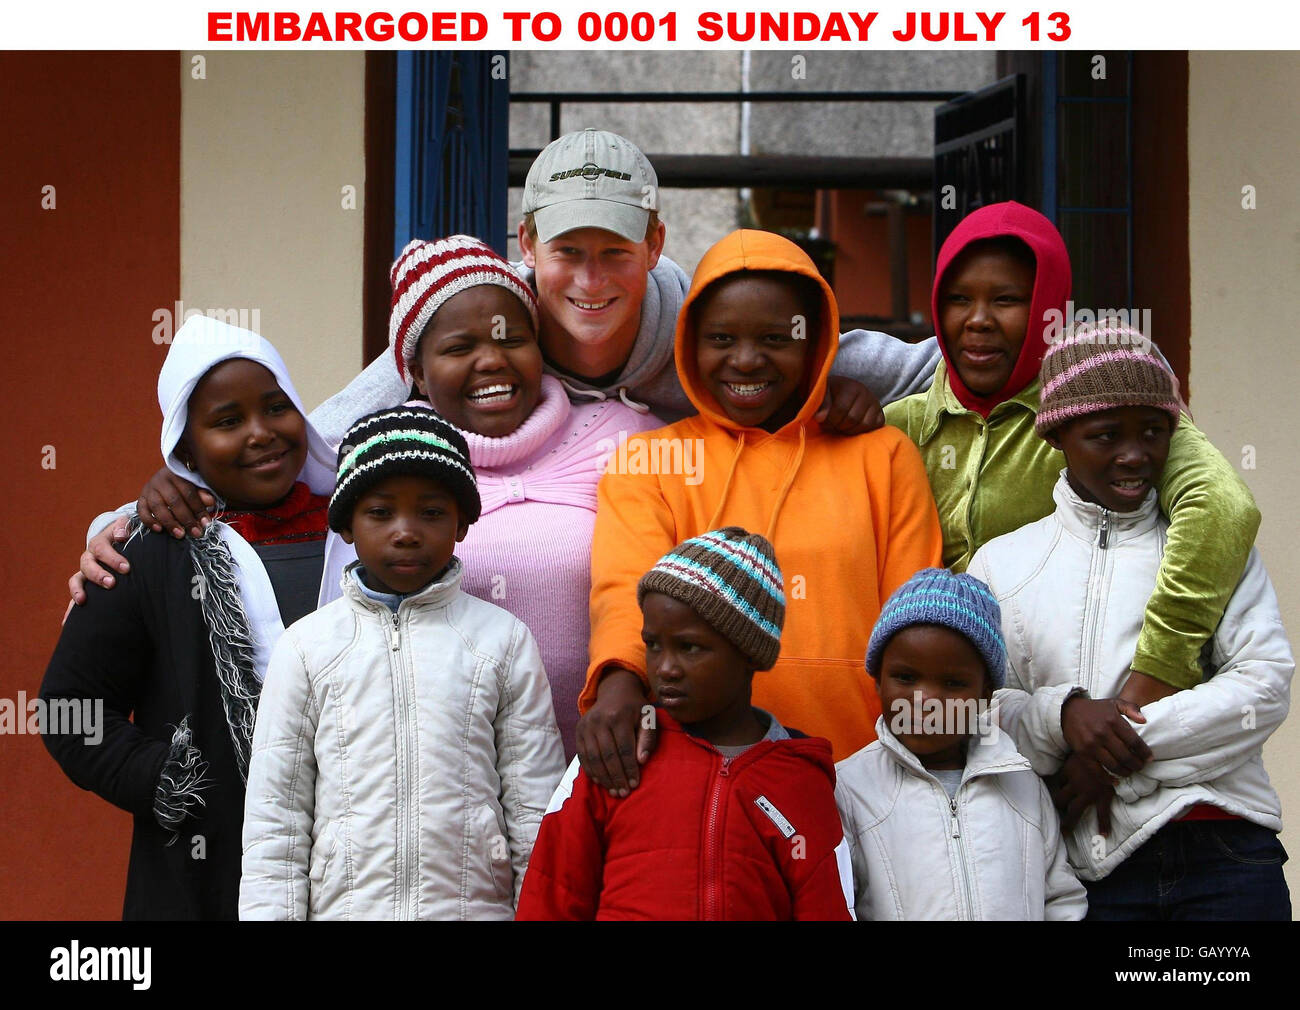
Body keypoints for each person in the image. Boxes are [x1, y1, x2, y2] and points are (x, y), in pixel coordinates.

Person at [72, 129, 943, 599]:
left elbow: (915, 365)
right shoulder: (481, 323)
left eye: (616, 251)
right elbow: (311, 439)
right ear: (527, 247)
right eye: (568, 252)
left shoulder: (715, 331)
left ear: (655, 244)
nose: (592, 281)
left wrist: (852, 397)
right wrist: (136, 513)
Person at [578, 229, 943, 788]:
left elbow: (913, 616)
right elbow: (624, 593)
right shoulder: (649, 460)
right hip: (698, 777)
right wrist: (620, 682)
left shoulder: (884, 455)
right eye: (721, 338)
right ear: (690, 344)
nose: (746, 361)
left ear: (815, 341)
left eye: (776, 338)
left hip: (867, 773)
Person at [967, 324, 1293, 920]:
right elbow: (984, 712)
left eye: (1154, 430)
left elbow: (1264, 685)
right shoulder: (1001, 563)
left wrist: (1111, 755)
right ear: (1057, 434)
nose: (1135, 453)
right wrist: (1063, 715)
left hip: (1222, 851)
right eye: (1105, 435)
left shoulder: (1205, 544)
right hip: (1086, 873)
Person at [884, 200, 1262, 700]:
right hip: (928, 726)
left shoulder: (1104, 410)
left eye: (1007, 300)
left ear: (1050, 308)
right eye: (958, 299)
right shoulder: (896, 428)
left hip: (1090, 717)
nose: (978, 320)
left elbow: (1225, 508)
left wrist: (1153, 678)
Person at [317, 235, 662, 757]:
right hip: (445, 789)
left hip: (611, 782)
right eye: (459, 348)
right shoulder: (384, 469)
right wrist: (178, 483)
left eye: (512, 340)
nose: (491, 361)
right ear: (416, 374)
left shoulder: (626, 440)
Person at [40, 316, 337, 919]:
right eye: (227, 422)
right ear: (186, 448)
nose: (261, 434)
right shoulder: (151, 551)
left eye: (277, 408)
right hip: (202, 875)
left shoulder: (361, 534)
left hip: (355, 869)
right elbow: (69, 706)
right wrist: (166, 780)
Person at [239, 408, 566, 920]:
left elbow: (534, 814)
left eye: (432, 513)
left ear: (462, 524)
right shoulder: (306, 648)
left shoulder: (502, 642)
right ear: (346, 525)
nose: (407, 532)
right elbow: (275, 820)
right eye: (380, 512)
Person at [516, 529, 854, 920]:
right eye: (653, 645)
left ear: (749, 653)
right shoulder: (620, 751)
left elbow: (828, 906)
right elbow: (552, 891)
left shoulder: (800, 780)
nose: (664, 668)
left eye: (689, 647)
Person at [835, 568, 1087, 920]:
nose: (925, 700)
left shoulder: (1021, 782)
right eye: (905, 678)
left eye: (953, 683)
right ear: (877, 680)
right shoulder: (848, 789)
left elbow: (1061, 898)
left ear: (985, 694)